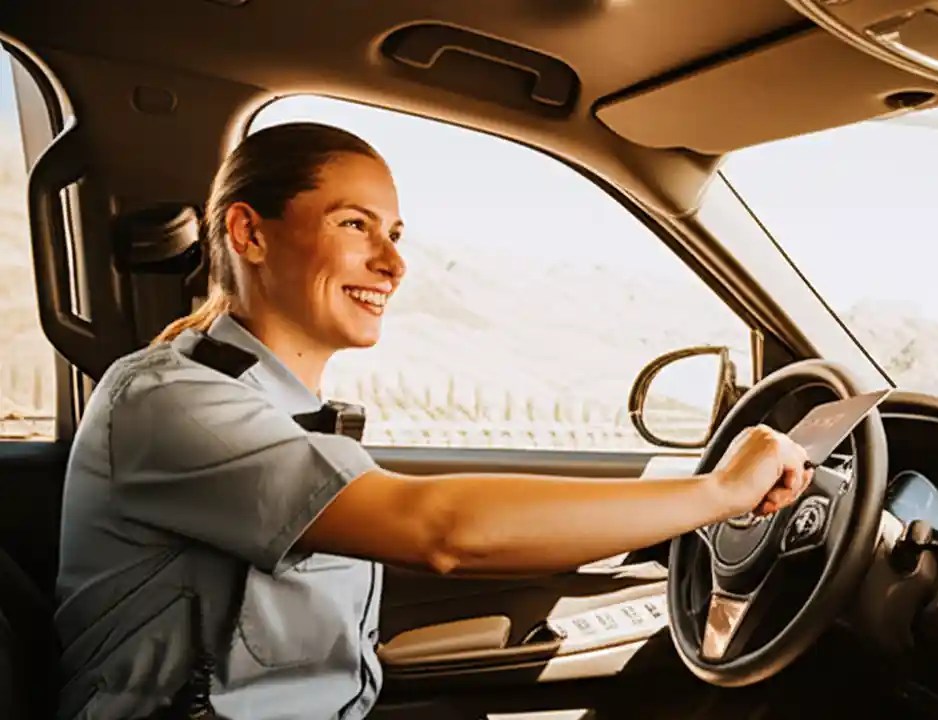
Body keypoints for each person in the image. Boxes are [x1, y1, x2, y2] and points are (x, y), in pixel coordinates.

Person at [52, 122, 814, 720]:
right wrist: (717, 494)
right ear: (249, 234)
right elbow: (441, 530)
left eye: (395, 233)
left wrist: (682, 509)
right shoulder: (170, 401)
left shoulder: (277, 411)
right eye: (356, 225)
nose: (393, 263)